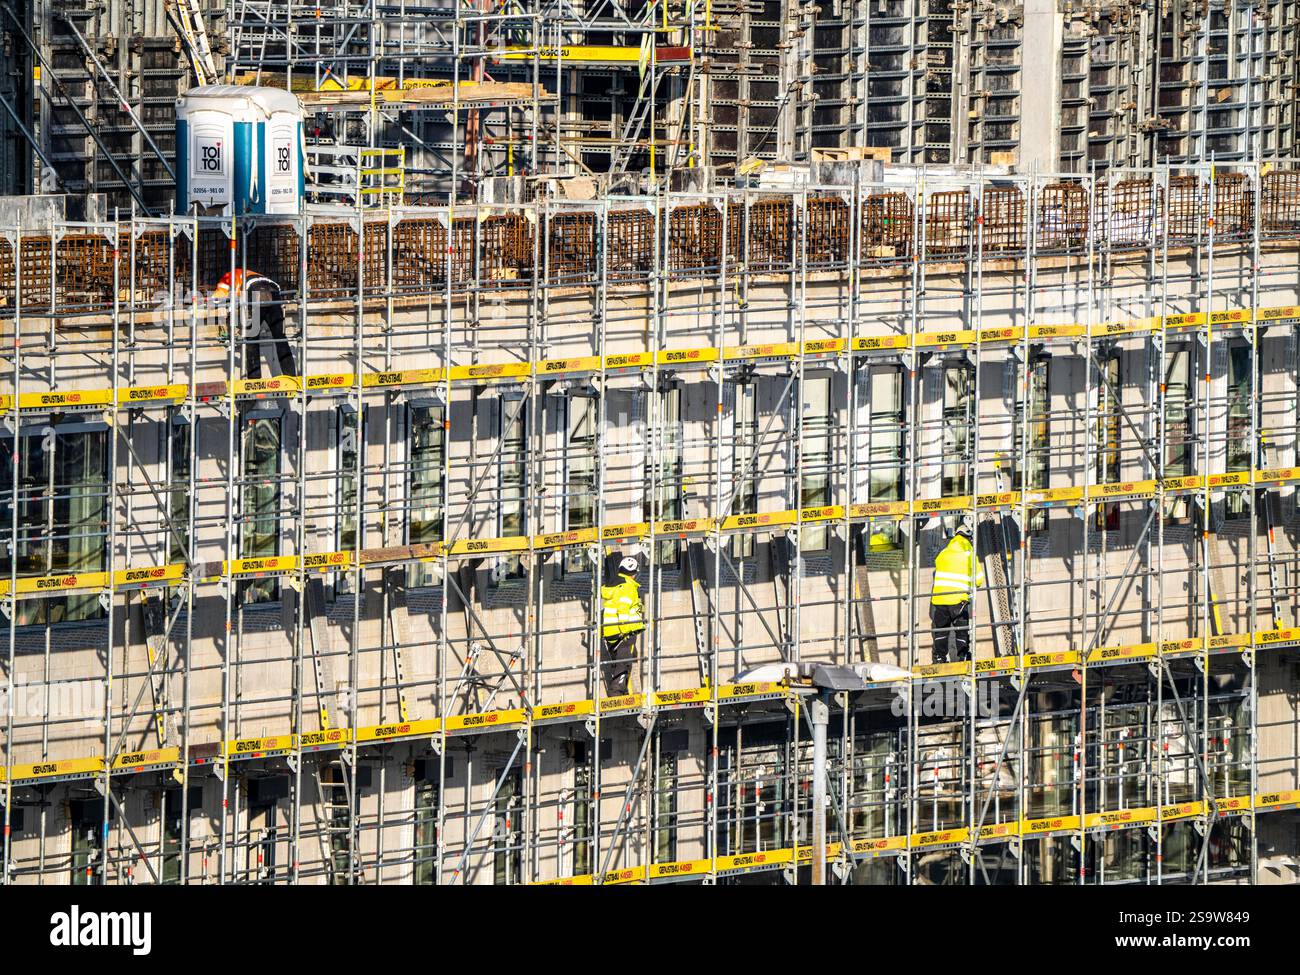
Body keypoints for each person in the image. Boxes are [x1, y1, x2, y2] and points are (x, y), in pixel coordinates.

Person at [212, 268, 297, 380]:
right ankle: (292, 377)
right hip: (274, 291)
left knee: (252, 340)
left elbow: (216, 298)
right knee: (280, 338)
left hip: (255, 291)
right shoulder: (251, 273)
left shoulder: (228, 277)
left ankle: (255, 381)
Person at [930, 520, 983, 662]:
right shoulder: (969, 552)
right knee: (962, 630)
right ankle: (963, 656)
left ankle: (939, 658)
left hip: (939, 599)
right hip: (958, 600)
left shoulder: (943, 553)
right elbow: (978, 579)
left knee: (941, 631)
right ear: (969, 537)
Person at [600, 554, 645, 695]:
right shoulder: (627, 587)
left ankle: (622, 690)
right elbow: (623, 609)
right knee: (623, 662)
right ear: (634, 574)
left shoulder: (614, 585)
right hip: (624, 631)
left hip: (610, 631)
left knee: (617, 661)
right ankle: (617, 693)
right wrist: (626, 633)